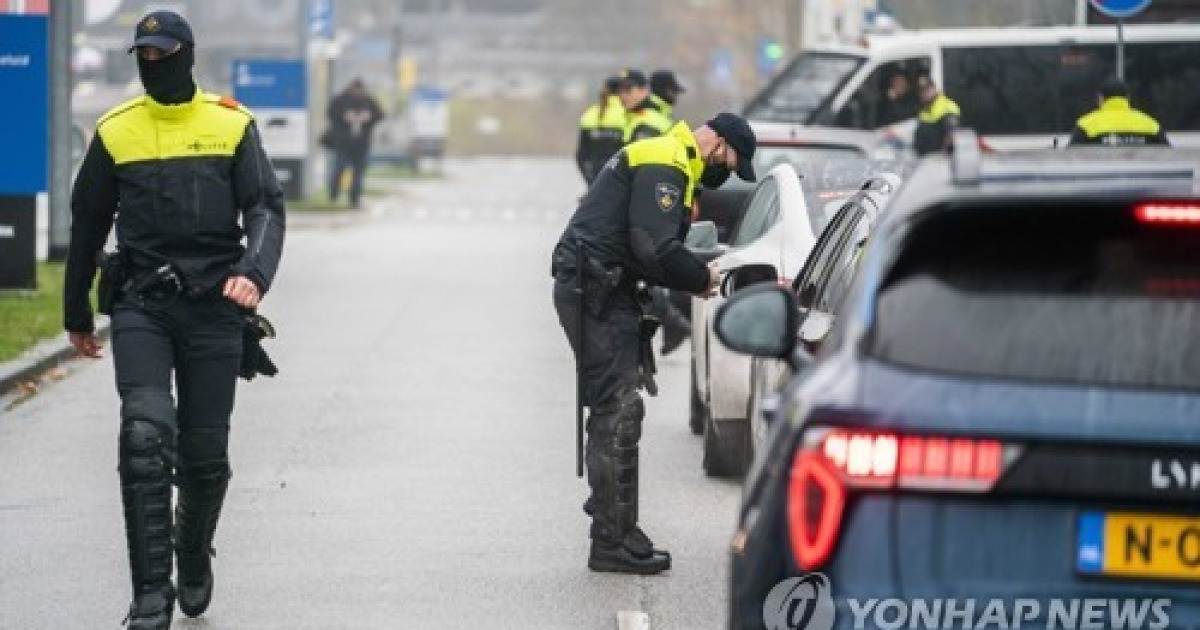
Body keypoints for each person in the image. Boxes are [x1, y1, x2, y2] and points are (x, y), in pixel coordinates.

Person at [63, 10, 286, 629]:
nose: (153, 64)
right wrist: (76, 309)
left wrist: (254, 274)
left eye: (163, 53)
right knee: (143, 435)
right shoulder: (115, 130)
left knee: (205, 456)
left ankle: (193, 552)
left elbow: (265, 205)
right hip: (143, 303)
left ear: (187, 54)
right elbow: (86, 223)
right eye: (144, 55)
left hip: (216, 306)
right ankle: (150, 596)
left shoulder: (231, 122)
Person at [551, 113, 757, 575]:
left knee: (620, 409)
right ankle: (610, 537)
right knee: (617, 410)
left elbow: (645, 247)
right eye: (731, 162)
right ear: (718, 143)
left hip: (602, 288)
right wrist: (701, 277)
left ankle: (619, 526)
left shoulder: (672, 159)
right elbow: (653, 247)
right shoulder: (667, 163)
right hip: (594, 291)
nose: (725, 173)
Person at [325, 78, 384, 207]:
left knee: (358, 172)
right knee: (339, 169)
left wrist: (367, 118)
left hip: (361, 143)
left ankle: (354, 198)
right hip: (343, 142)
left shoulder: (367, 101)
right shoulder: (340, 100)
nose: (358, 92)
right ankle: (333, 195)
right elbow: (331, 113)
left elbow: (380, 114)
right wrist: (345, 117)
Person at [1068, 77, 1170, 147]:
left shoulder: (1086, 125)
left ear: (1100, 98)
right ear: (1128, 98)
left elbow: (1071, 159)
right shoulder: (1150, 124)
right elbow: (1169, 156)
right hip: (1139, 178)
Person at [576, 75, 627, 185]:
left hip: (595, 178)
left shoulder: (589, 113)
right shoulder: (627, 113)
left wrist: (590, 180)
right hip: (619, 179)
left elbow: (581, 154)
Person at [616, 68, 673, 144]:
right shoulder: (633, 118)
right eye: (619, 90)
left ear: (644, 90)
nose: (622, 95)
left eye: (628, 89)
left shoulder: (650, 121)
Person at [912, 76, 961, 156]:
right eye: (922, 91)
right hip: (924, 157)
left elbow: (952, 135)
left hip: (940, 158)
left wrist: (942, 154)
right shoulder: (923, 111)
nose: (925, 93)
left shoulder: (947, 106)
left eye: (928, 89)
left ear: (934, 88)